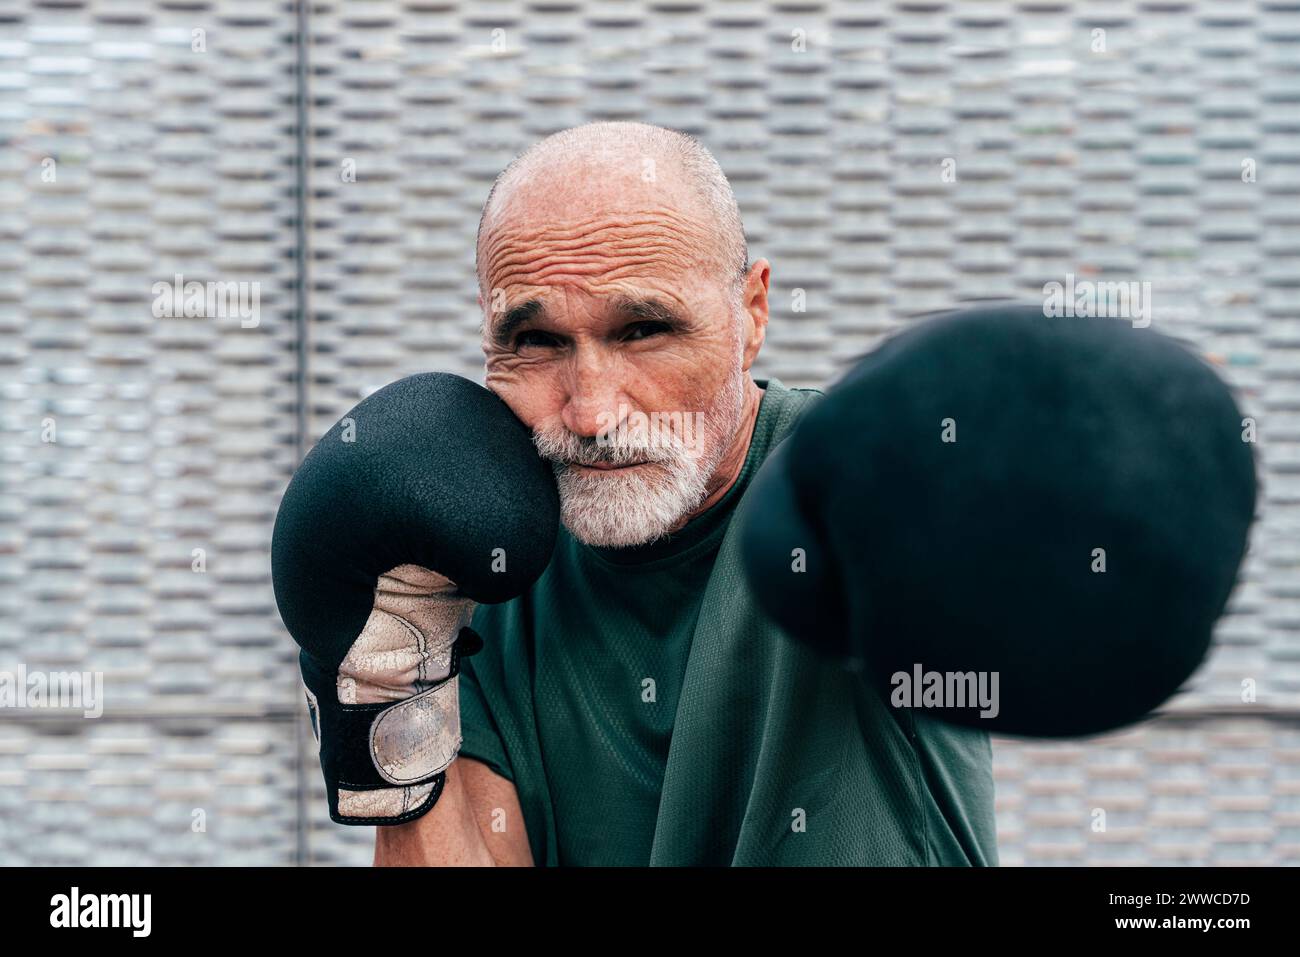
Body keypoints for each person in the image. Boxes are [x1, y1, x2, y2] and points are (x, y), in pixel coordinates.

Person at [372, 121, 997, 866]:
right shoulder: (475, 572)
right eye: (537, 341)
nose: (592, 414)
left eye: (643, 329)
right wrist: (382, 691)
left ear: (751, 314)